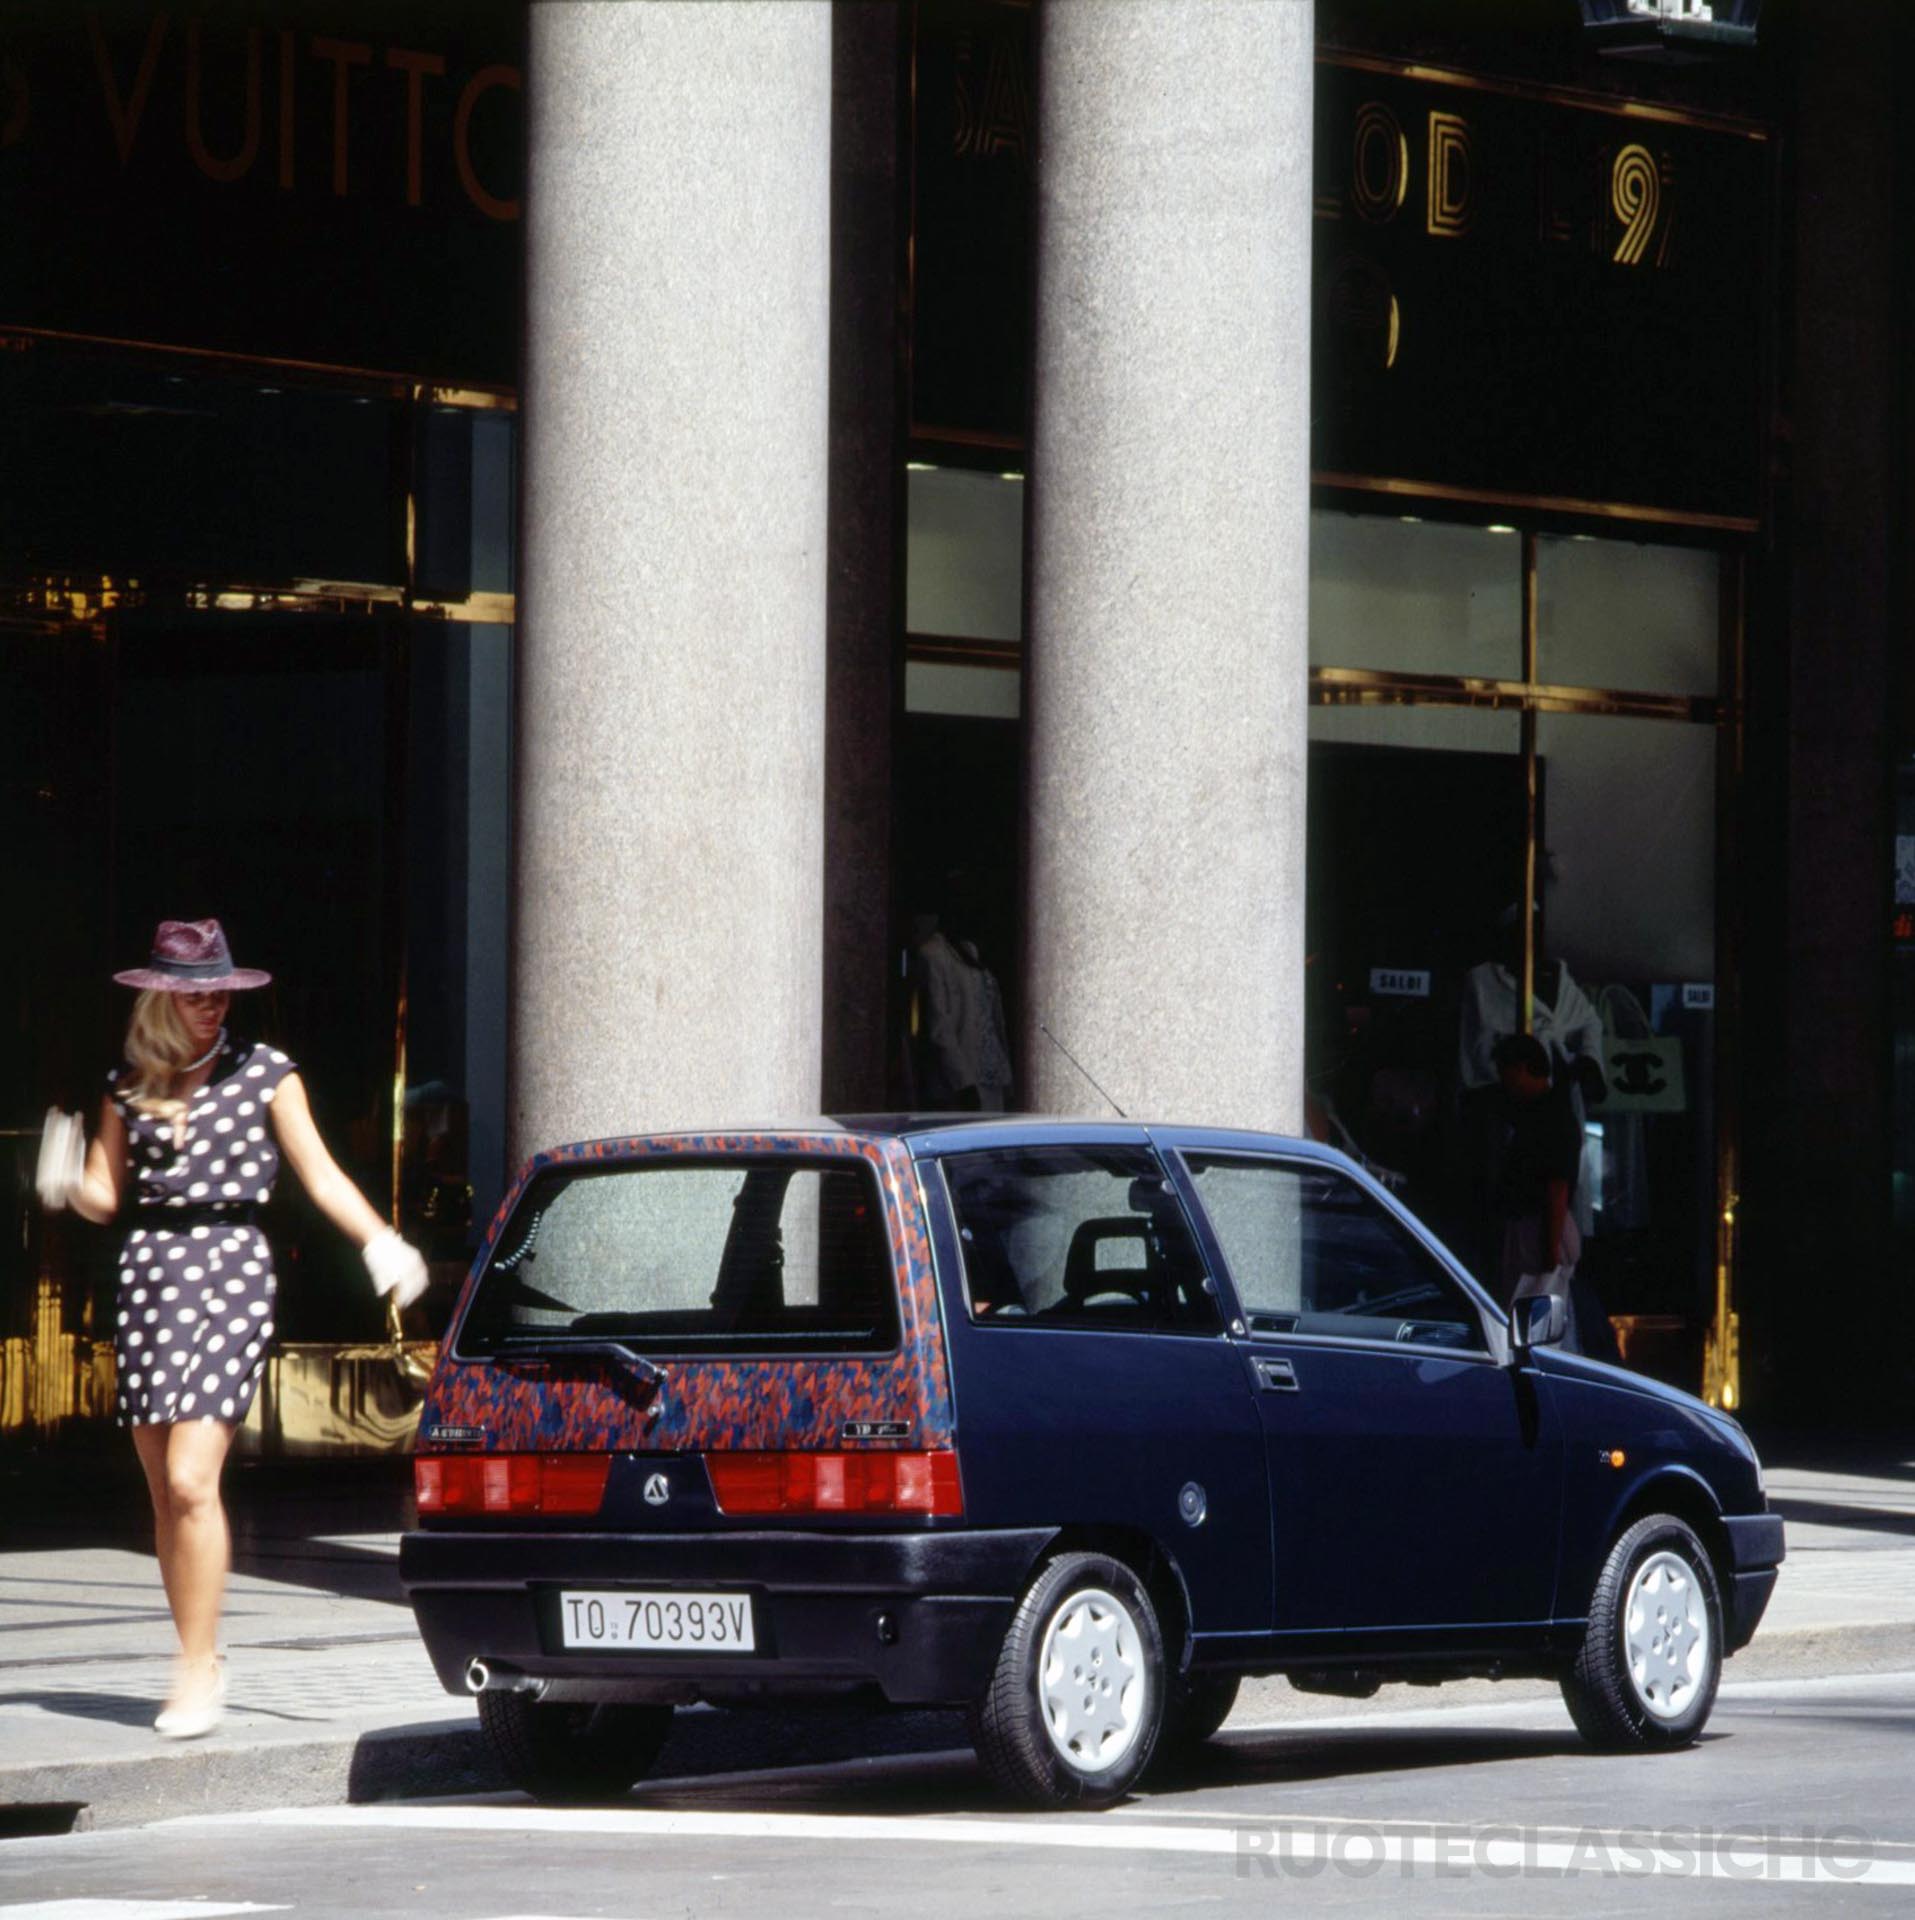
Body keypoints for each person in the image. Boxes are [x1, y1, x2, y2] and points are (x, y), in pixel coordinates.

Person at [35, 919, 428, 1740]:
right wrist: (67, 1179)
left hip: (230, 1271)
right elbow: (109, 1198)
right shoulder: (126, 1085)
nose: (212, 1006)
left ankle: (198, 1666)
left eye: (219, 991)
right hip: (148, 1275)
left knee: (190, 1479)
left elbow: (319, 1174)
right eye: (195, 992)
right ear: (161, 998)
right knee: (162, 1491)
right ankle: (194, 1653)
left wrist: (380, 1243)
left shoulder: (266, 1073)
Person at [1490, 1033, 1618, 1362]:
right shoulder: (1535, 1113)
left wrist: (1549, 1249)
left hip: (1541, 1231)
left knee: (1535, 1326)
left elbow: (1557, 1187)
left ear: (1520, 1069)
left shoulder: (1551, 1118)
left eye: (1507, 1070)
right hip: (1539, 1229)